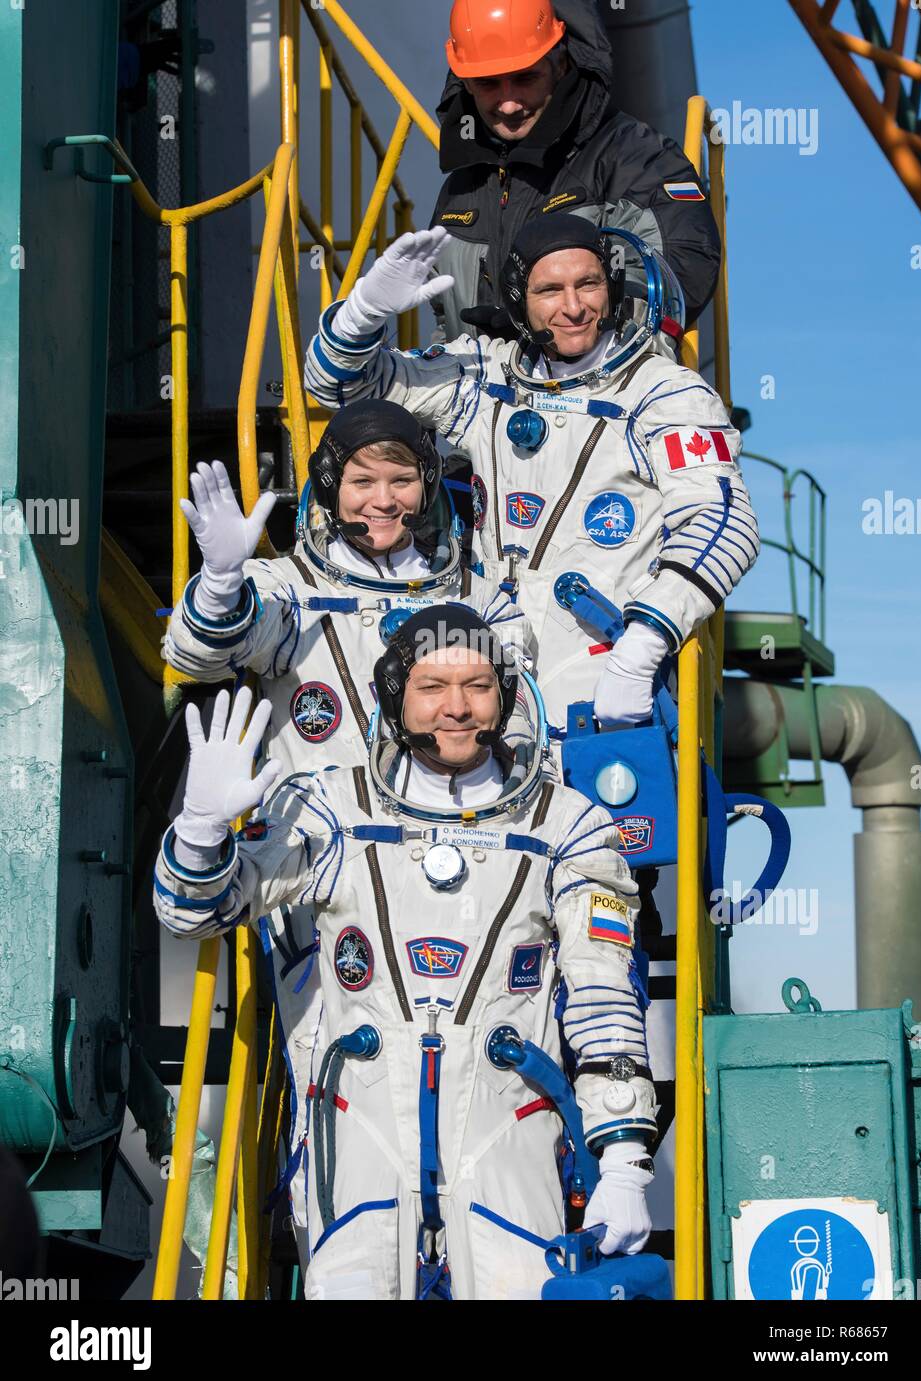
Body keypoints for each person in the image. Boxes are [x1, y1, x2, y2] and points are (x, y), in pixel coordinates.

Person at [153, 608, 657, 1301]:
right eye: (432, 687)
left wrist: (625, 1163)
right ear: (394, 695)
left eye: (478, 685)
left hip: (508, 1139)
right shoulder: (331, 810)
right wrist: (202, 833)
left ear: (506, 695)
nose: (456, 708)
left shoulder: (567, 824)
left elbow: (604, 995)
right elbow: (193, 910)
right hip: (358, 1143)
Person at [303, 217, 759, 737]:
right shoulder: (488, 379)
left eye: (588, 284)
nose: (573, 308)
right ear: (520, 300)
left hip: (604, 687)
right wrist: (364, 313)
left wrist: (643, 644)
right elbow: (341, 390)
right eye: (550, 290)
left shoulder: (665, 393)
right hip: (484, 692)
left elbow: (724, 521)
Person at [163, 398, 532, 773]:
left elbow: (516, 720)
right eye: (363, 482)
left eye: (402, 480)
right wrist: (220, 587)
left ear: (428, 484)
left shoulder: (481, 603)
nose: (384, 501)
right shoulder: (290, 590)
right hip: (319, 827)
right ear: (329, 487)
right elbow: (196, 660)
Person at [430, 0, 722, 341]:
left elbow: (679, 267)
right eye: (487, 83)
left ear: (562, 62)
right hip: (481, 391)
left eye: (525, 77)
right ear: (464, 82)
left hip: (605, 390)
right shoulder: (460, 187)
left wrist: (562, 337)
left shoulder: (637, 158)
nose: (509, 103)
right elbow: (444, 318)